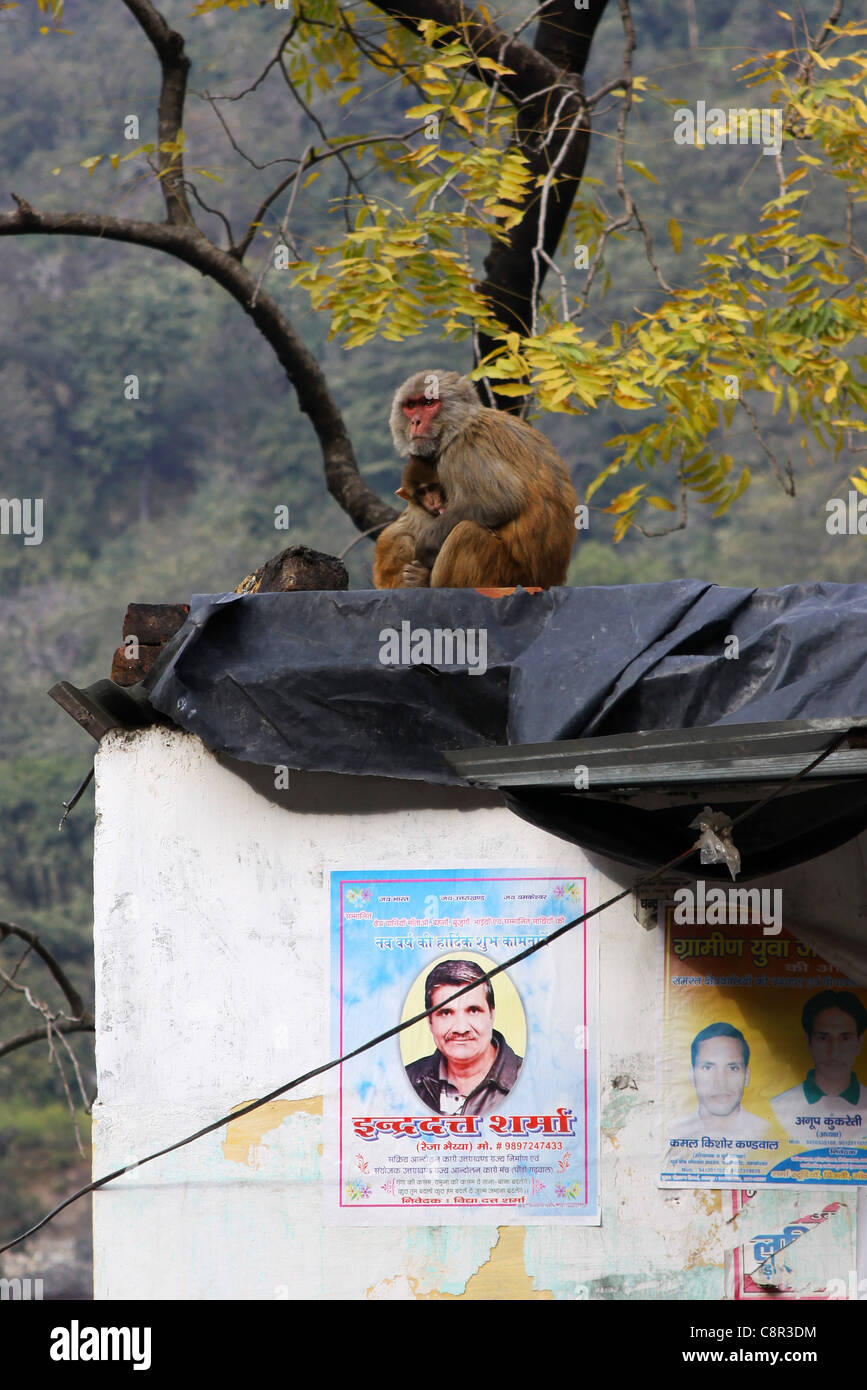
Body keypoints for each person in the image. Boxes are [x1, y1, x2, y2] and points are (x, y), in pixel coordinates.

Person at [406, 959, 523, 1116]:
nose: (461, 1028)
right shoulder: (407, 1080)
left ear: (492, 1014)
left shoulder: (528, 1079)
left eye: (473, 1010)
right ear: (430, 1021)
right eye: (446, 1012)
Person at [771, 990, 867, 1142]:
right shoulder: (778, 1106)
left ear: (859, 1042)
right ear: (808, 1041)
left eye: (845, 1038)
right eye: (823, 1038)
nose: (834, 1050)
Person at [670, 1022, 769, 1139]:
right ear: (692, 1076)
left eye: (733, 1068)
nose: (721, 1083)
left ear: (746, 1076)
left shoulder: (768, 1133)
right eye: (708, 1068)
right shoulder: (674, 1134)